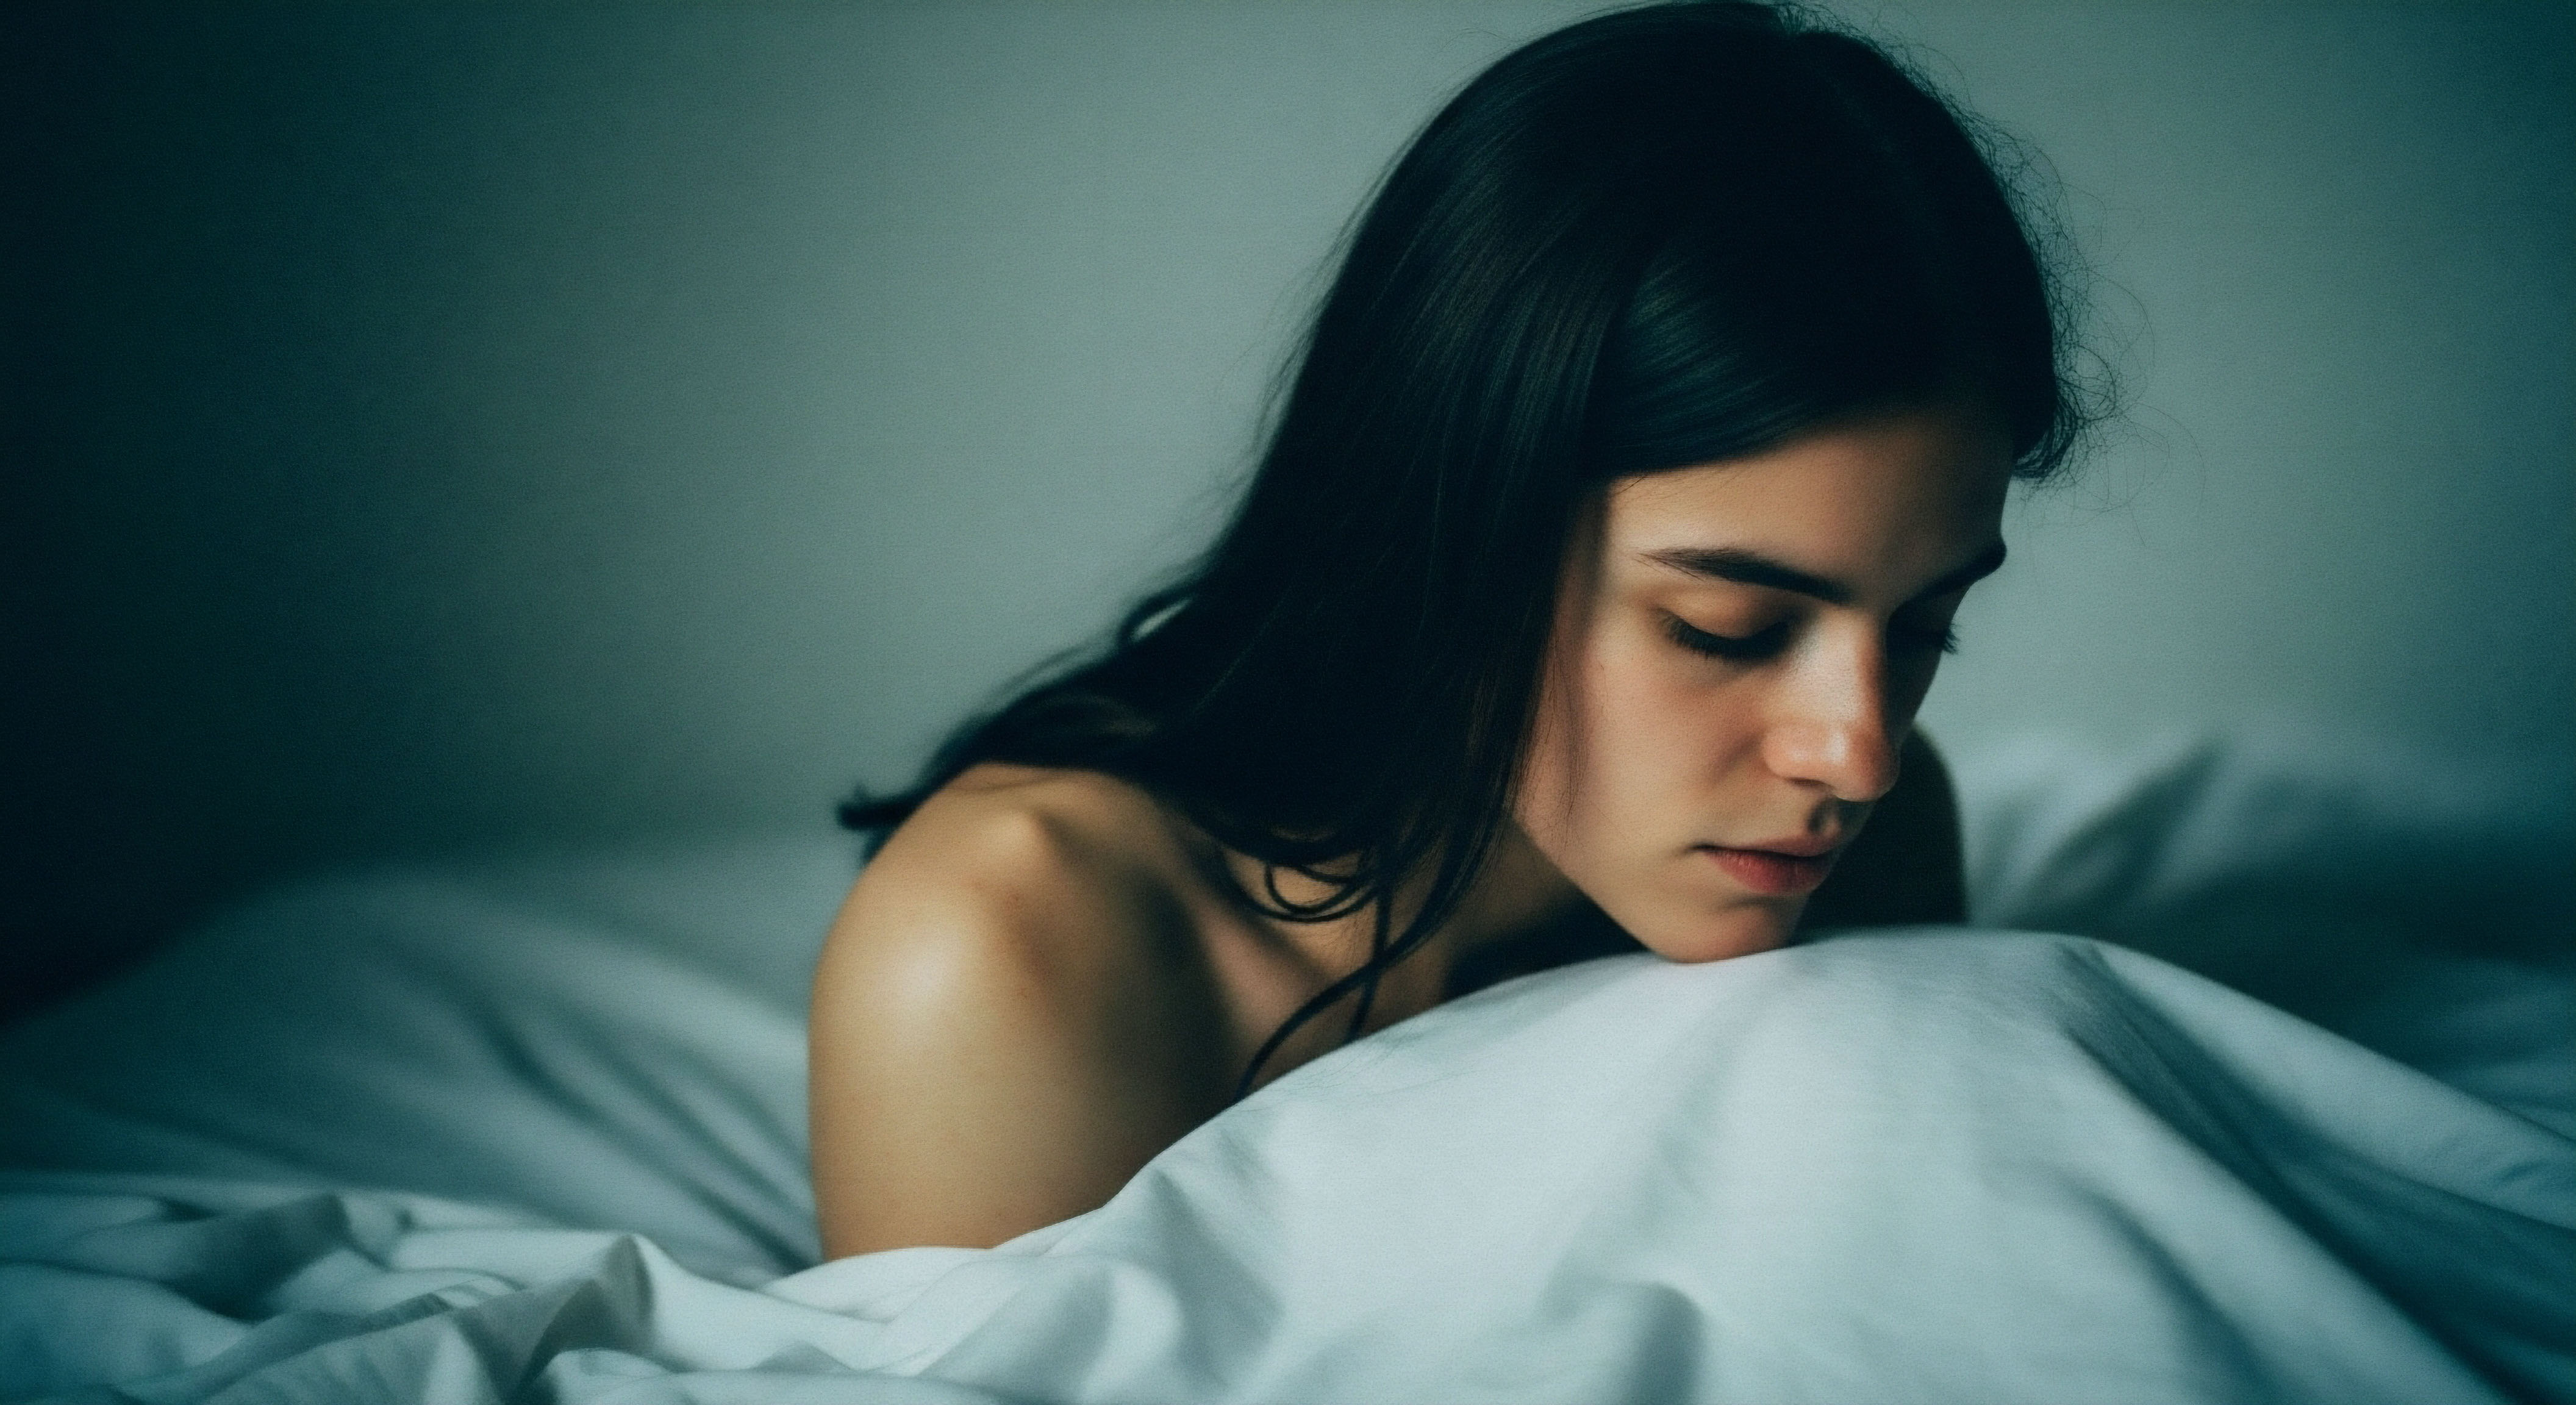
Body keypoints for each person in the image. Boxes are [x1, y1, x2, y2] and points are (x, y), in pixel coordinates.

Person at [809, 0, 2096, 1259]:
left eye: (1931, 626)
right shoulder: (1008, 955)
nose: (1857, 757)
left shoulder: (1881, 850)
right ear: (1441, 533)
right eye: (1727, 628)